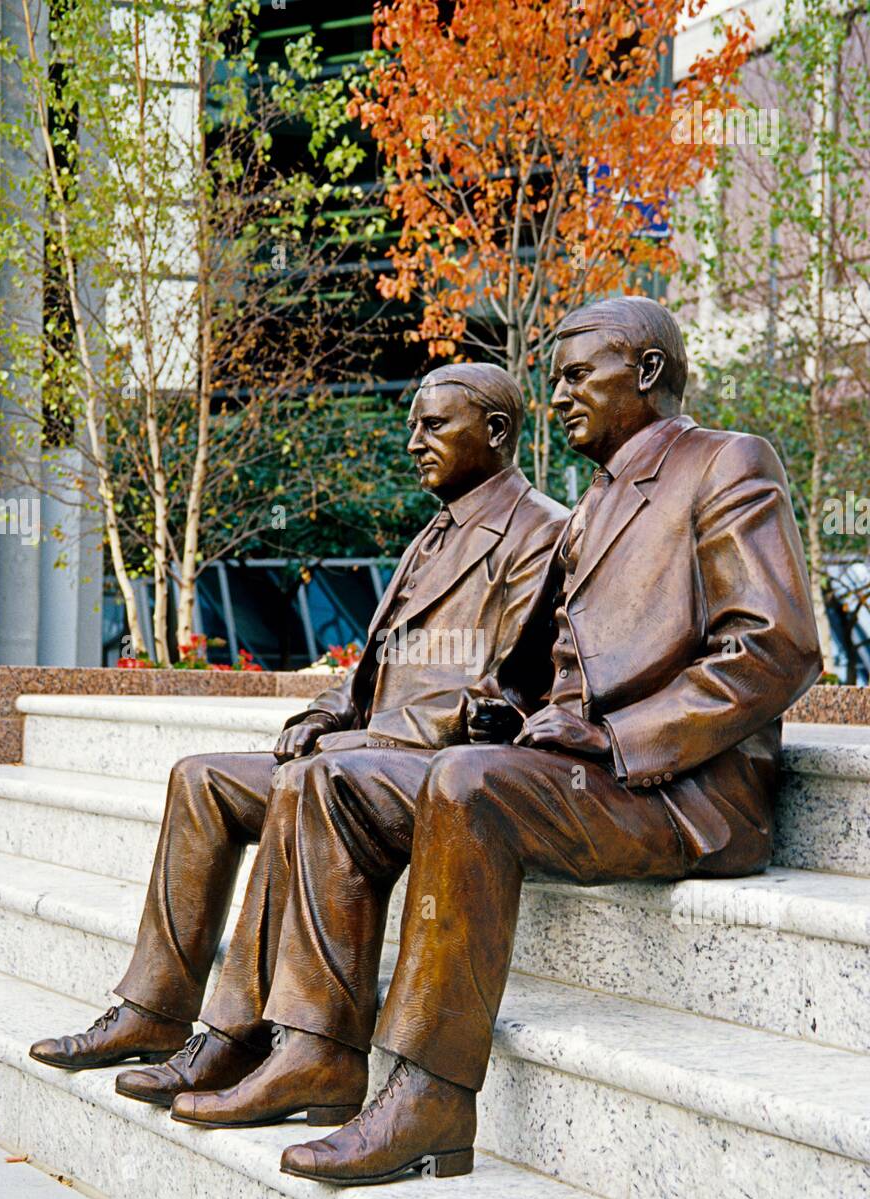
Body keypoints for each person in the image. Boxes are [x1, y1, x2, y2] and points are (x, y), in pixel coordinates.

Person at [211, 295, 820, 1185]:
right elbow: (557, 670)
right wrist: (516, 714)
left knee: (467, 786)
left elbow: (774, 647)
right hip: (583, 770)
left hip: (683, 793)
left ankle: (430, 1099)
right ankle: (319, 1049)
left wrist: (612, 736)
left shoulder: (727, 463)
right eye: (554, 379)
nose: (562, 395)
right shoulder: (589, 510)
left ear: (647, 374)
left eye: (579, 375)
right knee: (327, 783)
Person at [29, 364, 568, 1128]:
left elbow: (516, 682)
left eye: (434, 426)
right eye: (412, 424)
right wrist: (326, 711)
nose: (414, 442)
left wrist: (462, 723)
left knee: (303, 785)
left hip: (425, 767)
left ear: (499, 433)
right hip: (357, 748)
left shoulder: (541, 532)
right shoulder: (428, 536)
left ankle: (240, 1035)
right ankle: (153, 1009)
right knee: (201, 778)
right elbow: (372, 666)